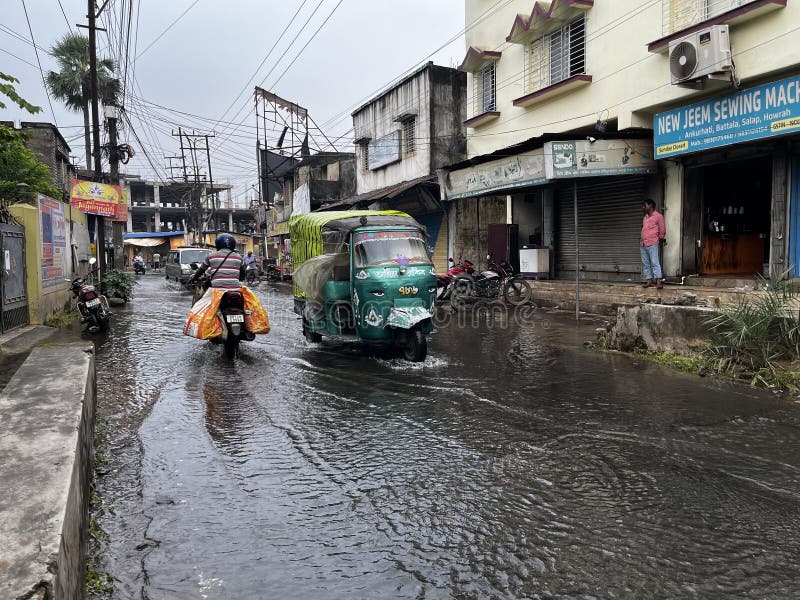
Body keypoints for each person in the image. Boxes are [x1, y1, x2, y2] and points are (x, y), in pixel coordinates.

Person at [641, 198, 666, 290]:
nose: (643, 207)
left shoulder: (658, 216)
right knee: (646, 263)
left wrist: (660, 238)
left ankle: (658, 281)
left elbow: (662, 229)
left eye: (645, 205)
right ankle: (649, 281)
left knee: (655, 262)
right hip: (643, 243)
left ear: (650, 205)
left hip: (653, 243)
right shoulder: (645, 217)